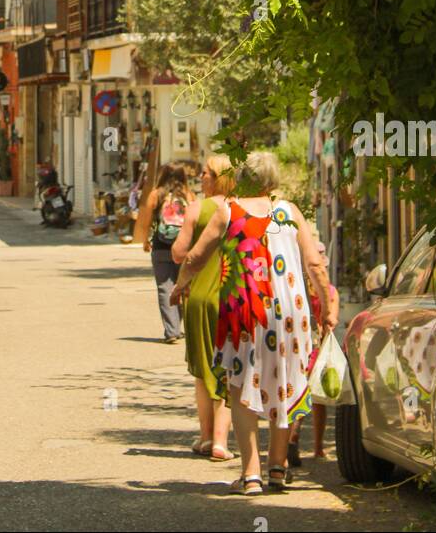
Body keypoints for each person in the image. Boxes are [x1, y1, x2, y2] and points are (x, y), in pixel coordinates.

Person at [177, 151, 335, 495]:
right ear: (273, 180)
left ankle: (251, 474)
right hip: (291, 314)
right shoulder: (290, 212)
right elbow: (315, 263)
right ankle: (278, 468)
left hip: (245, 311)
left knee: (241, 388)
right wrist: (328, 304)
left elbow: (194, 256)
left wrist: (179, 286)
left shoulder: (228, 211)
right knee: (288, 382)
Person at [169, 155, 237, 462]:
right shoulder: (241, 210)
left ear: (218, 177)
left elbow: (179, 253)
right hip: (233, 298)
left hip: (198, 298)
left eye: (206, 174)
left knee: (203, 370)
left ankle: (207, 437)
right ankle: (221, 441)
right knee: (227, 368)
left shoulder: (197, 209)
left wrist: (181, 280)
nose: (201, 177)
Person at [287, 234, 340, 466]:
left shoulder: (295, 287)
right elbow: (332, 322)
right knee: (318, 400)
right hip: (318, 348)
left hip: (297, 346)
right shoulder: (329, 292)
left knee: (295, 394)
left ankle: (292, 435)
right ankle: (318, 448)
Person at [135, 163, 193, 343]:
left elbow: (145, 220)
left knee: (164, 287)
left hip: (161, 246)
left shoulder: (156, 194)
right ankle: (177, 327)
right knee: (182, 287)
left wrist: (145, 240)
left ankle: (172, 330)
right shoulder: (188, 195)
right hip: (183, 247)